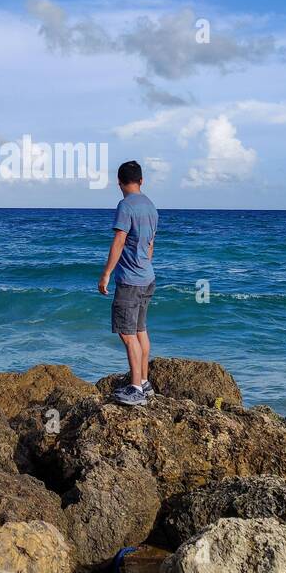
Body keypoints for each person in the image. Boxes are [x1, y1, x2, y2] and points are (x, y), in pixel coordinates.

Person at [97, 160, 158, 406]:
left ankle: (135, 389)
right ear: (141, 180)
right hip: (147, 277)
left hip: (130, 281)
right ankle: (144, 382)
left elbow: (119, 241)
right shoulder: (151, 206)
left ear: (119, 182)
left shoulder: (125, 206)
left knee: (126, 333)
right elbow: (151, 244)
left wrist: (106, 274)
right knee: (141, 330)